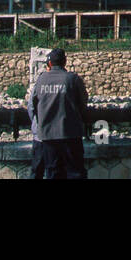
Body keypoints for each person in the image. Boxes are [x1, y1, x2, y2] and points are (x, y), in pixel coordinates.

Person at [32, 47, 89, 178]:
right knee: (75, 172)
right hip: (70, 133)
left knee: (52, 172)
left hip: (48, 136)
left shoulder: (40, 80)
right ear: (65, 62)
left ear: (49, 63)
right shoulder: (73, 79)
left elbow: (34, 106)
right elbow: (83, 102)